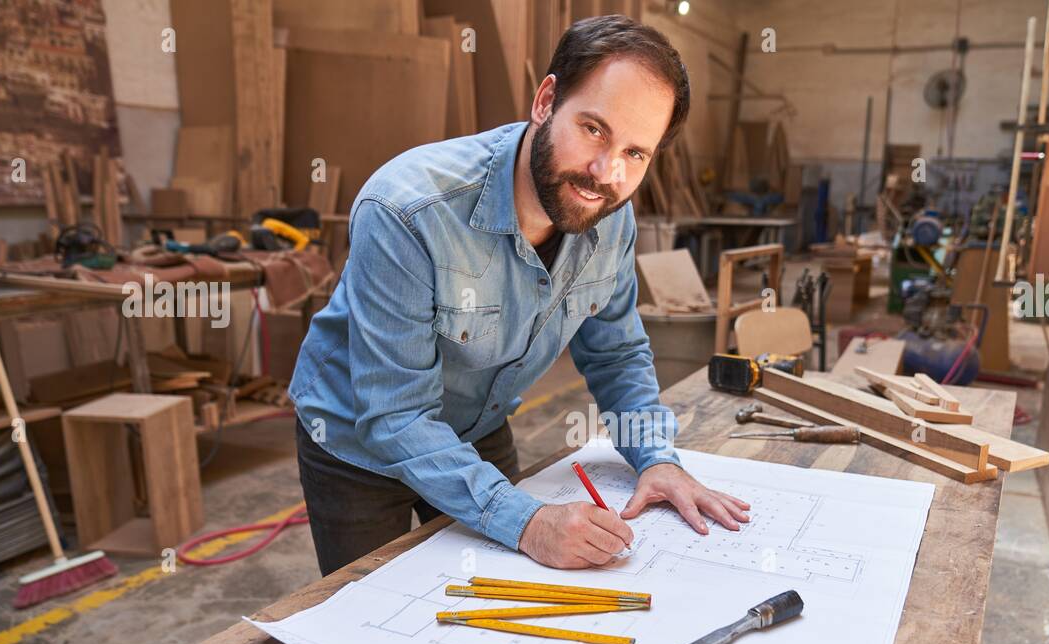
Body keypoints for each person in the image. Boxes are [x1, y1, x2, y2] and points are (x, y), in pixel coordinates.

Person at [291, 15, 750, 577]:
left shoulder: (612, 215)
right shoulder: (407, 211)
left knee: (496, 592)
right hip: (357, 441)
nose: (606, 173)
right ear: (545, 100)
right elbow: (395, 414)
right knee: (372, 618)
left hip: (476, 424)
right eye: (595, 129)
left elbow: (617, 354)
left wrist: (656, 458)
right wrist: (528, 521)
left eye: (636, 153)